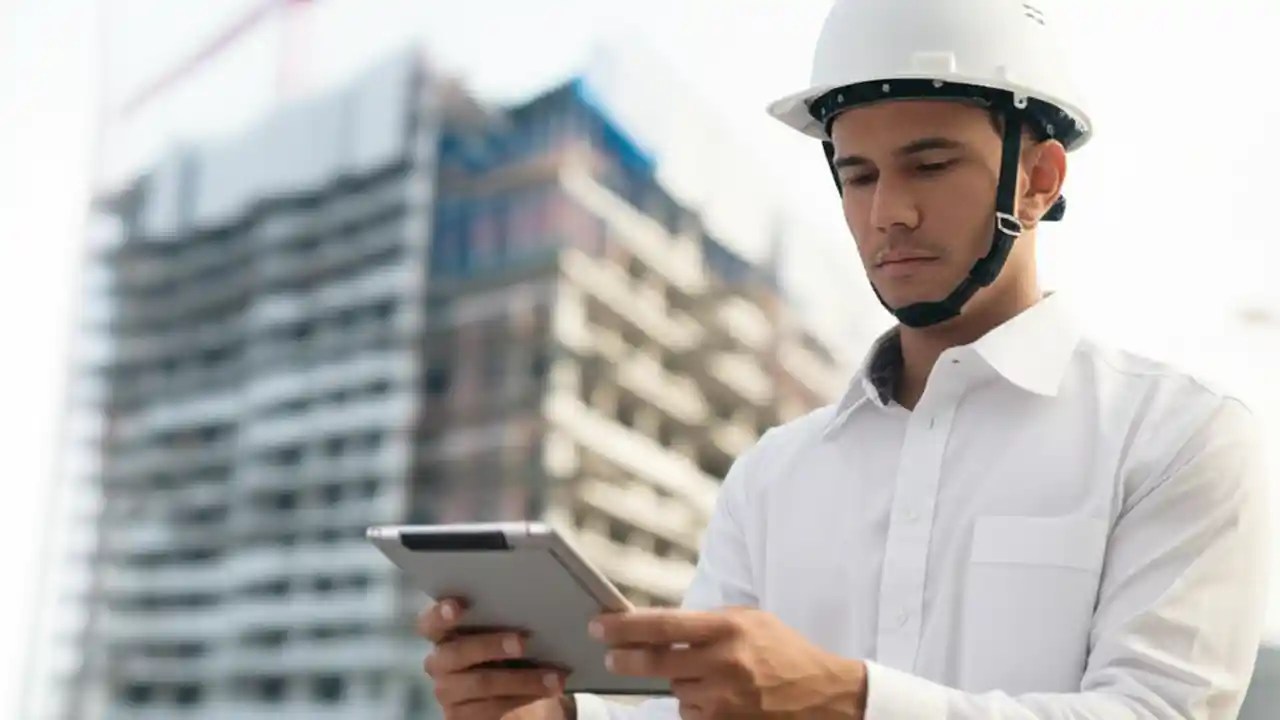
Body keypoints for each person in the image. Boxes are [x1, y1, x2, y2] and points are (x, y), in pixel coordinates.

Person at [416, 0, 1273, 717]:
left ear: (1039, 178)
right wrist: (558, 712)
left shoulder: (1179, 440)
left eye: (930, 165)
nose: (887, 213)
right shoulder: (772, 474)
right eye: (858, 176)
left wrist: (851, 700)